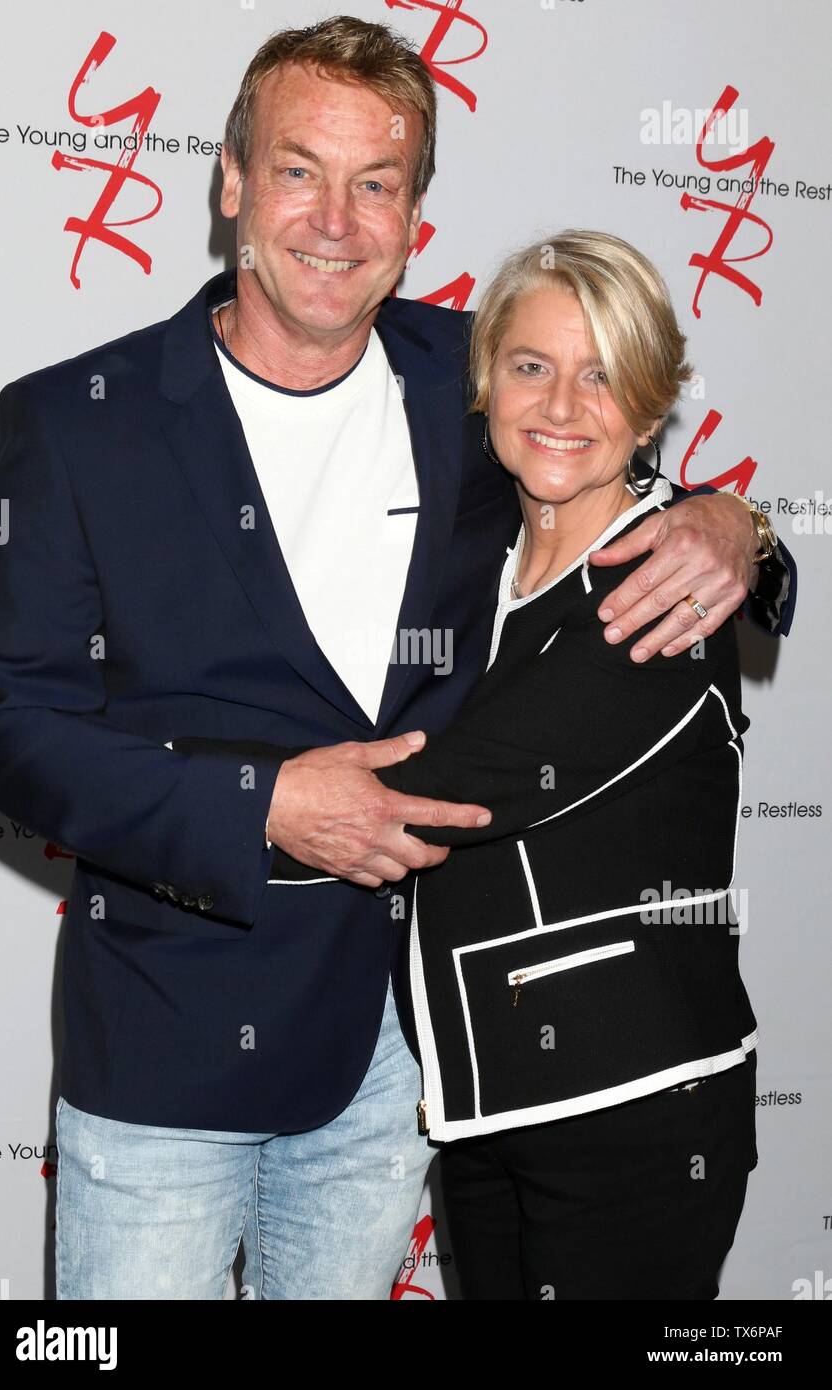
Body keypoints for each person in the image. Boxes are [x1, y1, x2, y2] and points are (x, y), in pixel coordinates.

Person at [0, 18, 793, 1301]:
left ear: (414, 212)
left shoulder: (469, 377)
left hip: (403, 1056)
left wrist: (738, 526)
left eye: (376, 184)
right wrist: (260, 805)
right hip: (167, 1049)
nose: (334, 221)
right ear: (231, 180)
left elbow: (606, 468)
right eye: (298, 170)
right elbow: (4, 724)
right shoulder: (75, 422)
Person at [194, 230, 766, 1300]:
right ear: (486, 384)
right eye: (531, 365)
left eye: (603, 375)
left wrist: (167, 780)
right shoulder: (477, 556)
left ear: (649, 408)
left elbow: (434, 795)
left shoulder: (660, 593)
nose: (561, 406)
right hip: (483, 1106)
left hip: (632, 1113)